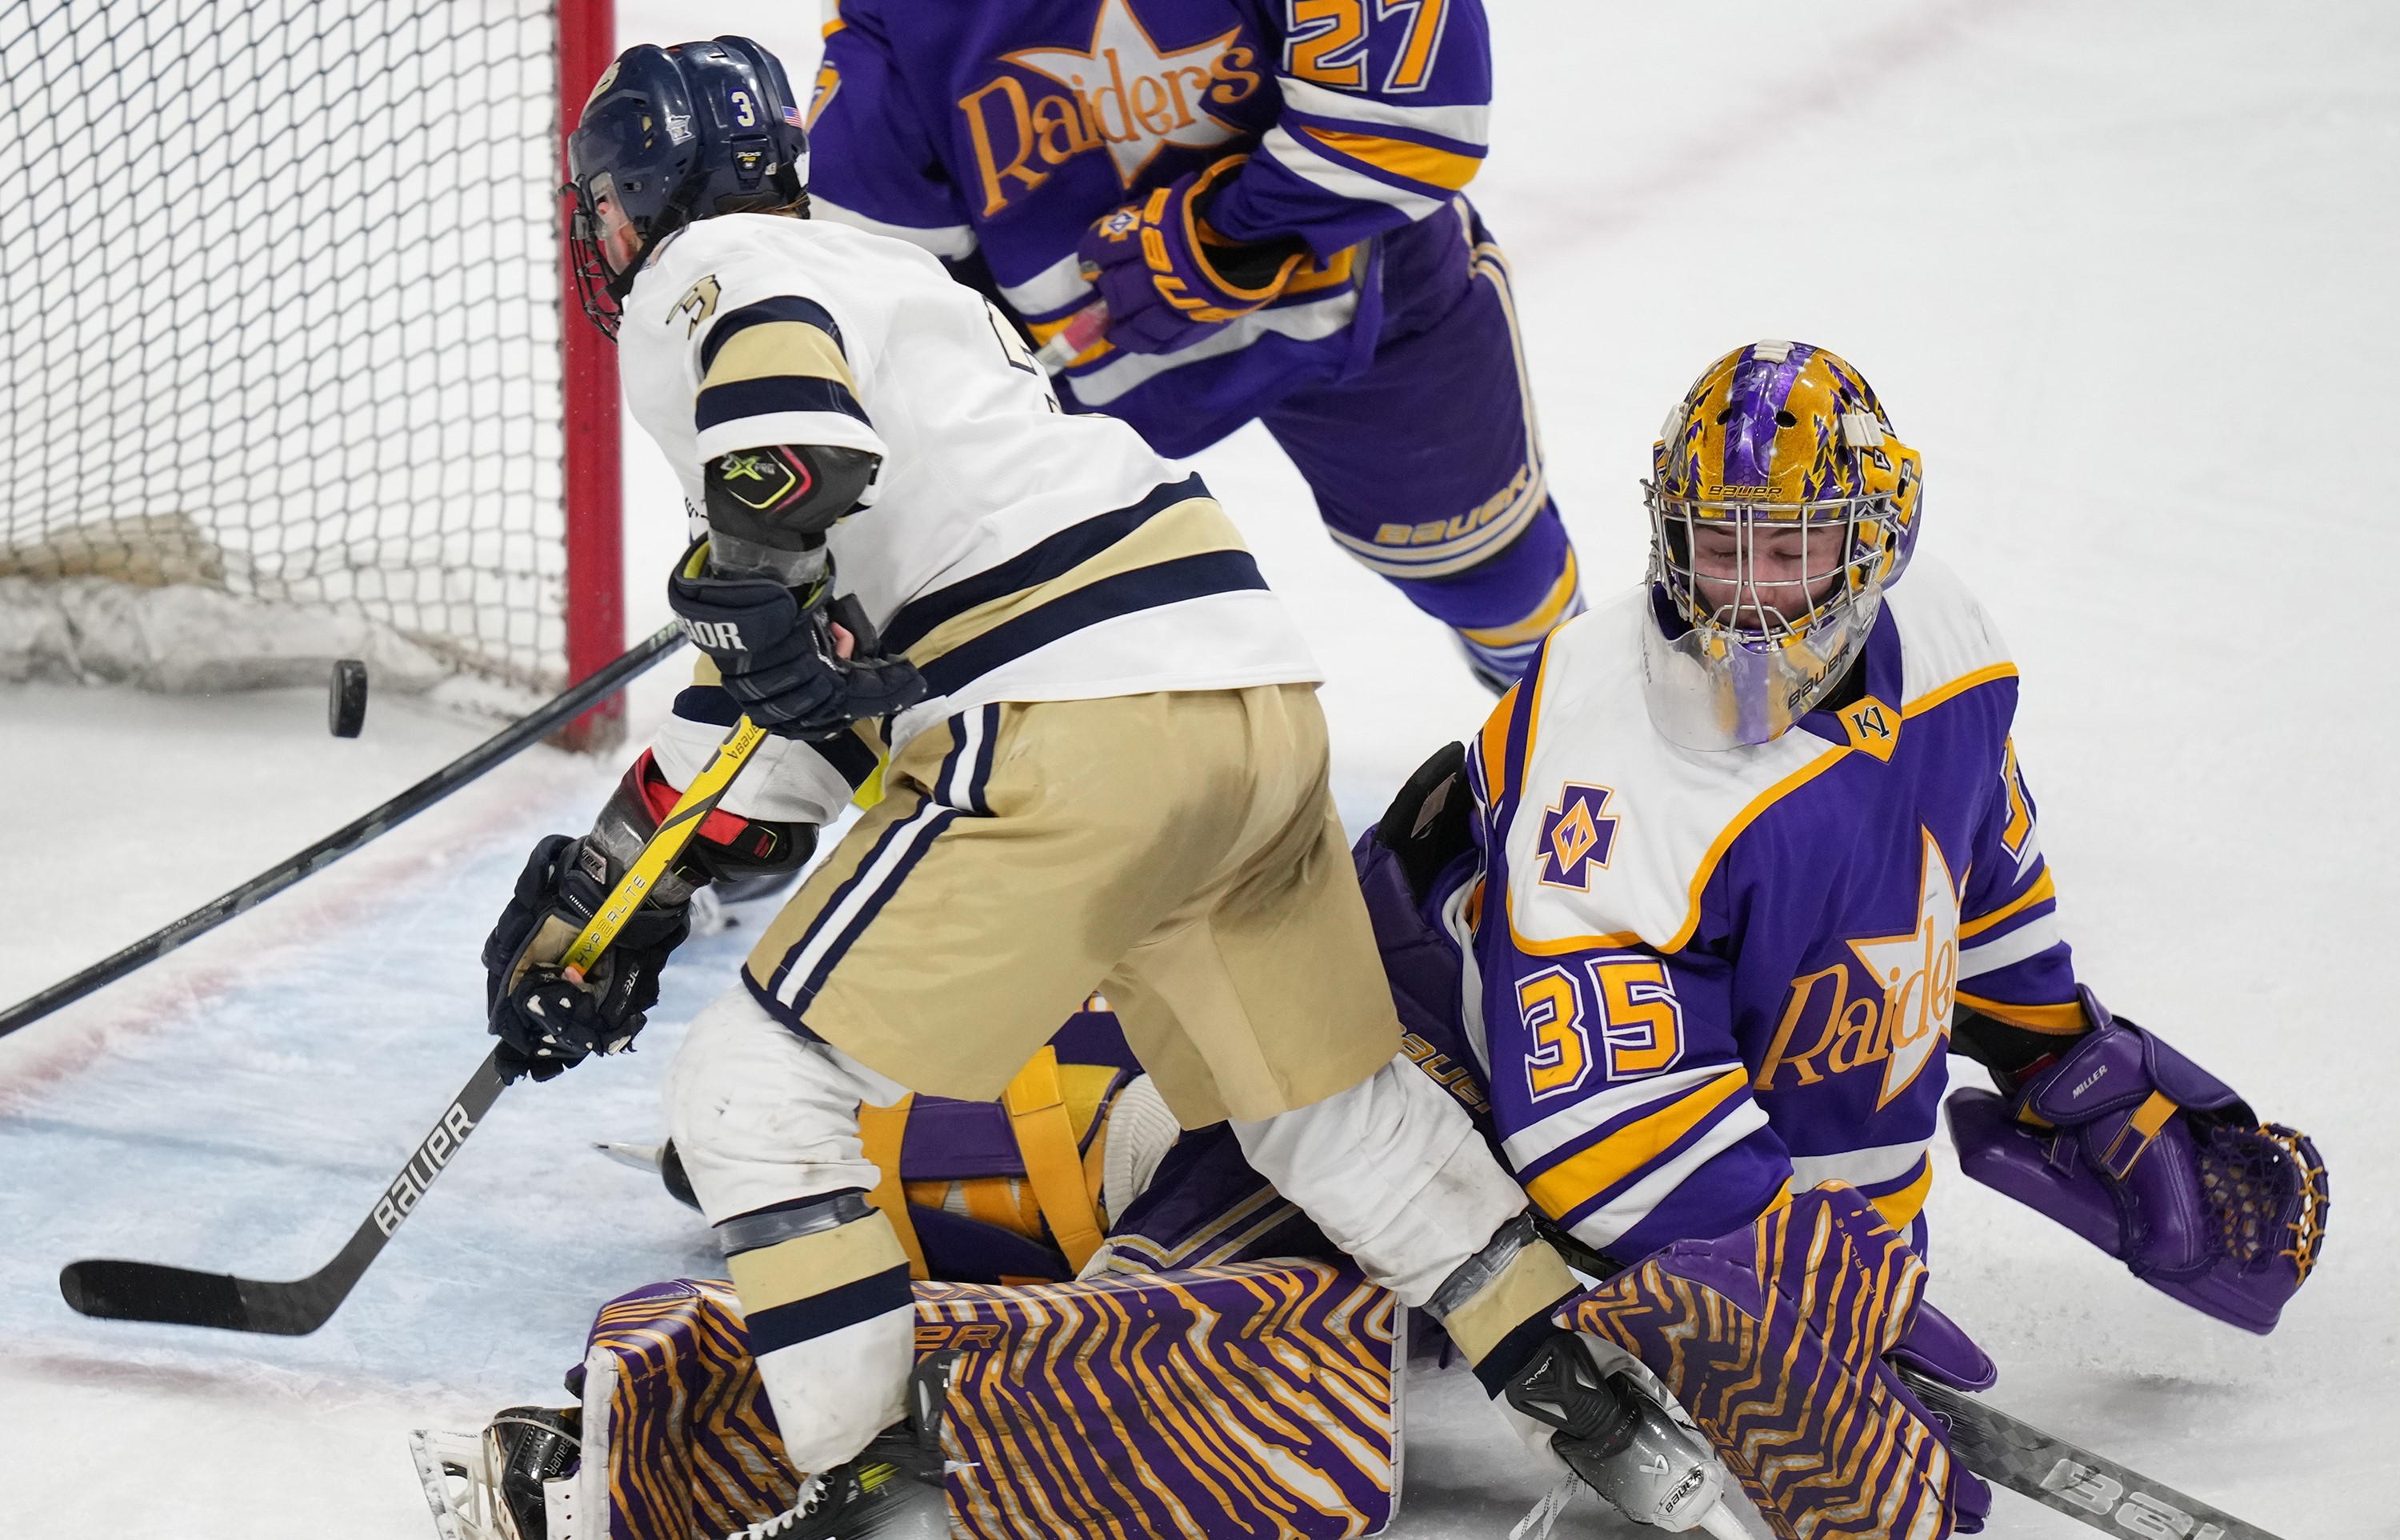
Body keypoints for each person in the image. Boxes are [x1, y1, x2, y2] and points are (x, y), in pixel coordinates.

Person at [484, 37, 1603, 1537]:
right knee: (1329, 1118)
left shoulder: (717, 270)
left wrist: (745, 574)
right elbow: (790, 696)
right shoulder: (911, 291)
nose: (611, 246)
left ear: (634, 205)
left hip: (1078, 721)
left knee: (750, 1099)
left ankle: (865, 1491)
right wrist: (621, 878)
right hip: (1249, 699)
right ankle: (1599, 1398)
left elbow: (782, 455)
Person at [1352, 339, 2332, 1536]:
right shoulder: (1605, 763)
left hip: (1694, 1129)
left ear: (1878, 540)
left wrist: (2055, 1064)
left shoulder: (1950, 639)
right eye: (1720, 547)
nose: (1752, 596)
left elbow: (1971, 866)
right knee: (1357, 1223)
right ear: (1670, 535)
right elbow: (1595, 1121)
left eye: (1792, 547)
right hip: (1448, 1074)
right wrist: (1780, 1286)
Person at [802, 0, 1583, 688]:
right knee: (956, 607)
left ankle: (1579, 732)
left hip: (1366, 296)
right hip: (1074, 368)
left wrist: (1223, 240)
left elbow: (1414, 117)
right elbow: (877, 274)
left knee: (1493, 573)